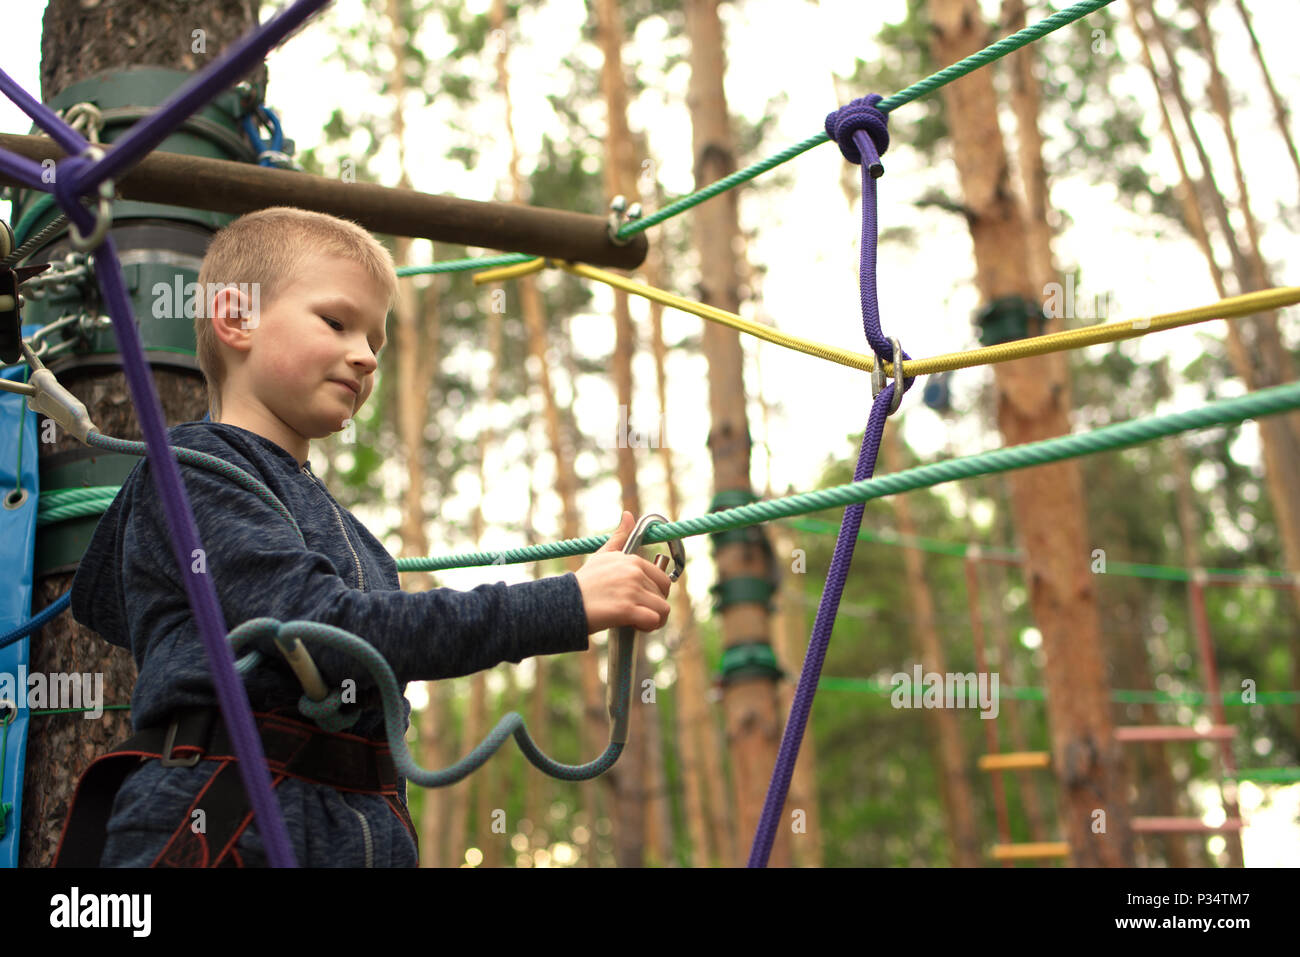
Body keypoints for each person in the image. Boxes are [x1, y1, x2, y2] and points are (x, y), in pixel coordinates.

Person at [60, 206, 672, 867]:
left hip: (359, 828)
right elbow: (328, 632)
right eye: (336, 322)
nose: (365, 356)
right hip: (222, 826)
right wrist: (563, 603)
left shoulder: (353, 538)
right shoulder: (194, 474)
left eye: (376, 343)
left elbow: (373, 647)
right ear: (235, 318)